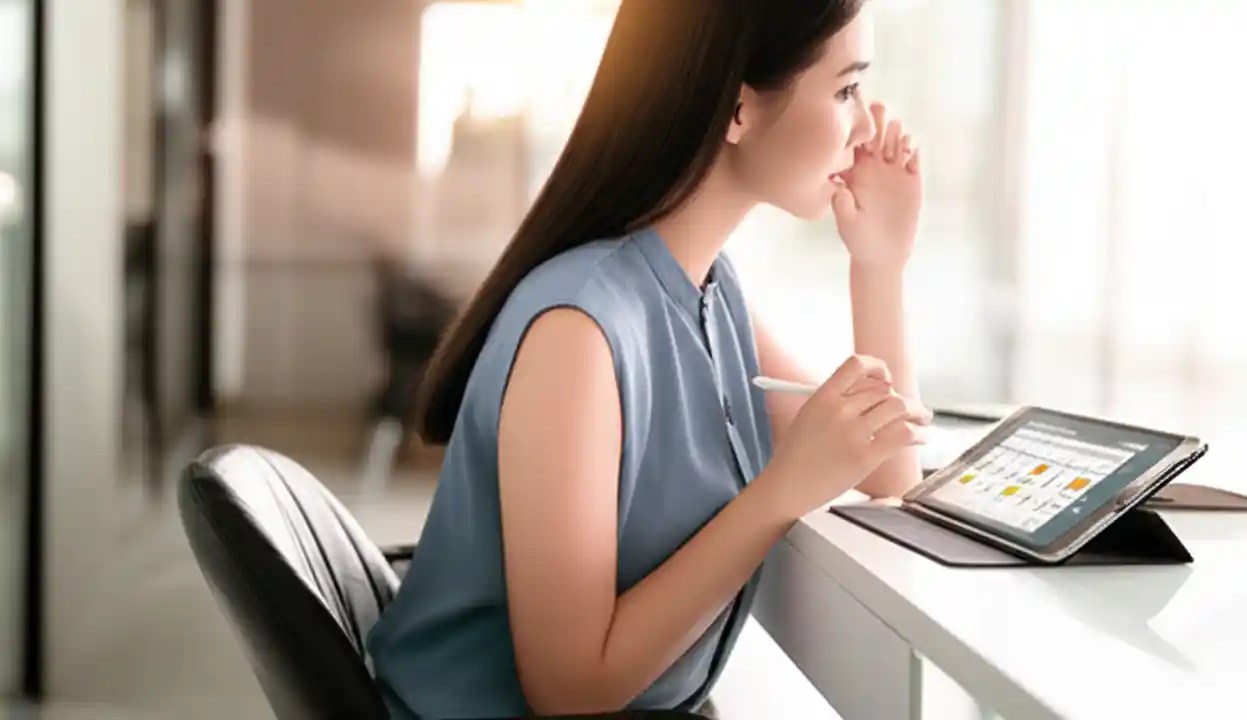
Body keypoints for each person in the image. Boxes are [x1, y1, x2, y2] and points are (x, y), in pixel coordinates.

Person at [368, 1, 933, 717]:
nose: (862, 131)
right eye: (847, 90)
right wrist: (781, 491)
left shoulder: (711, 288)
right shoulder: (579, 328)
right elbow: (568, 691)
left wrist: (879, 266)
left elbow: (890, 470)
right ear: (736, 110)